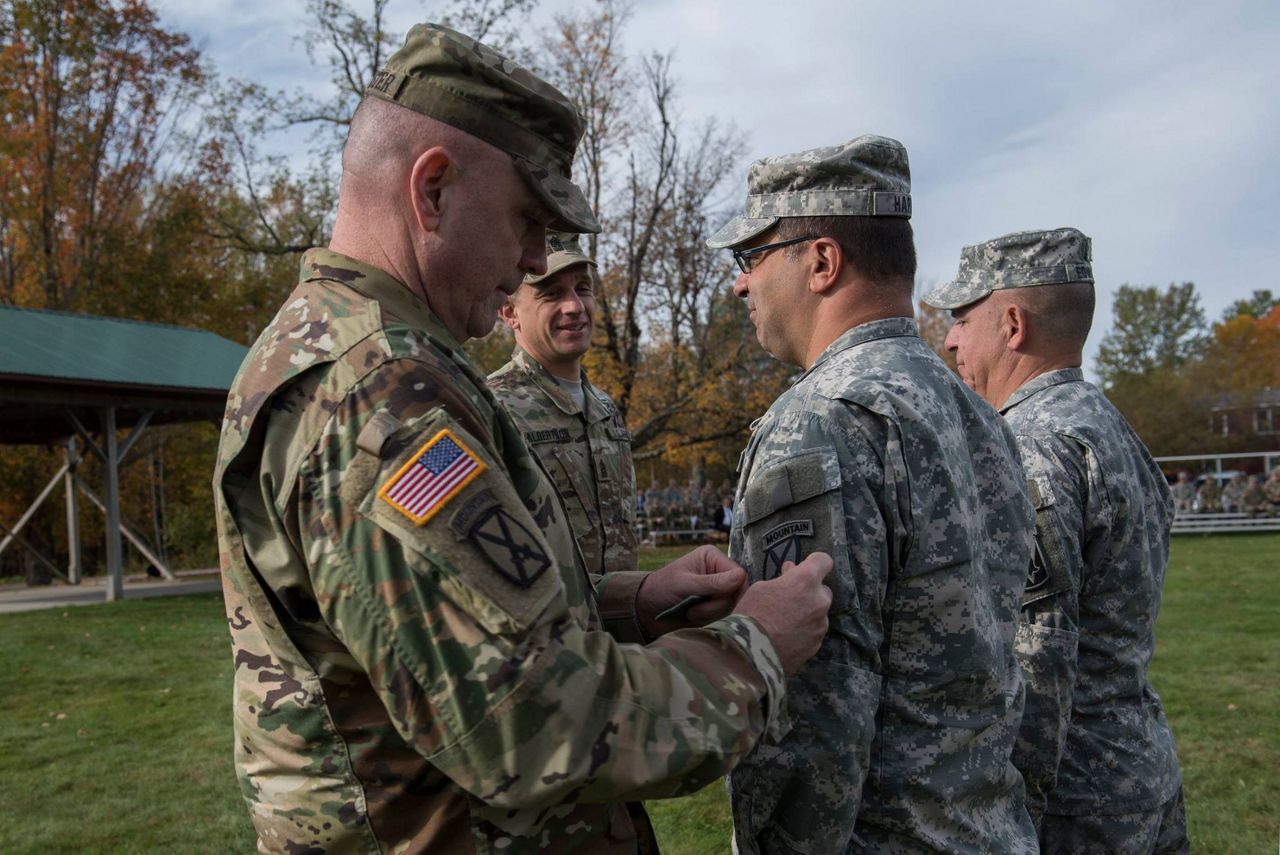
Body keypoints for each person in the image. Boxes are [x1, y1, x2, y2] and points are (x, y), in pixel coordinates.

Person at [212, 23, 836, 854]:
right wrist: (757, 648)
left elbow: (452, 624)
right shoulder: (380, 396)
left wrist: (633, 602)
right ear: (431, 190)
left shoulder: (375, 356)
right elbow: (535, 726)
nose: (537, 256)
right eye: (526, 218)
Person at [709, 135, 1037, 853]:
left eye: (753, 257)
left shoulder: (821, 420)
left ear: (821, 261)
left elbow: (804, 712)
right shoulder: (975, 412)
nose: (741, 284)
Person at [926, 227, 1187, 853]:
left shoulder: (1030, 444)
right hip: (1139, 767)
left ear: (1012, 325)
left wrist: (1012, 815)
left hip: (1075, 799)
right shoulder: (1107, 425)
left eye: (962, 318)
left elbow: (1035, 655)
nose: (950, 338)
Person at [489, 232, 639, 576]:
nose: (574, 306)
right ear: (510, 312)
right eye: (552, 293)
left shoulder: (605, 410)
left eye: (582, 289)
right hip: (553, 627)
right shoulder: (494, 408)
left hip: (627, 623)